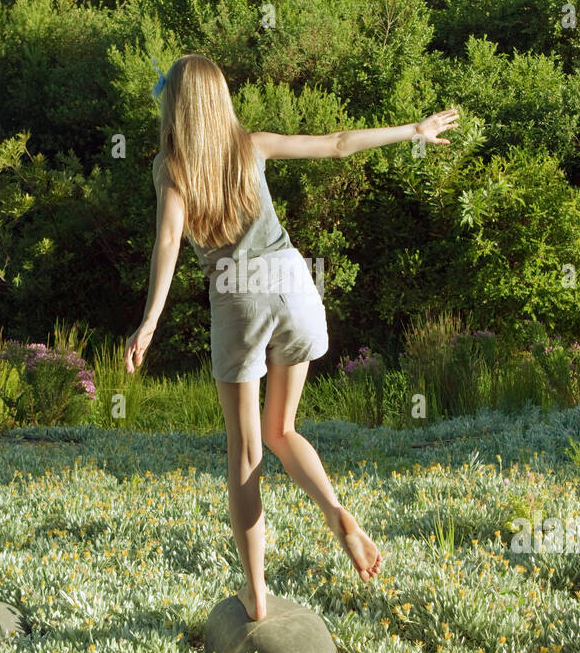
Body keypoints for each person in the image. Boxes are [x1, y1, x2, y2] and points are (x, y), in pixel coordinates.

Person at [125, 53, 458, 621]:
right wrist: (415, 131)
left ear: (176, 106)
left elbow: (168, 243)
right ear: (221, 100)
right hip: (294, 284)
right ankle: (335, 512)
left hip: (238, 295)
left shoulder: (171, 167)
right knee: (285, 429)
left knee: (247, 452)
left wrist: (150, 318)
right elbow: (337, 143)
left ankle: (256, 597)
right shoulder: (251, 145)